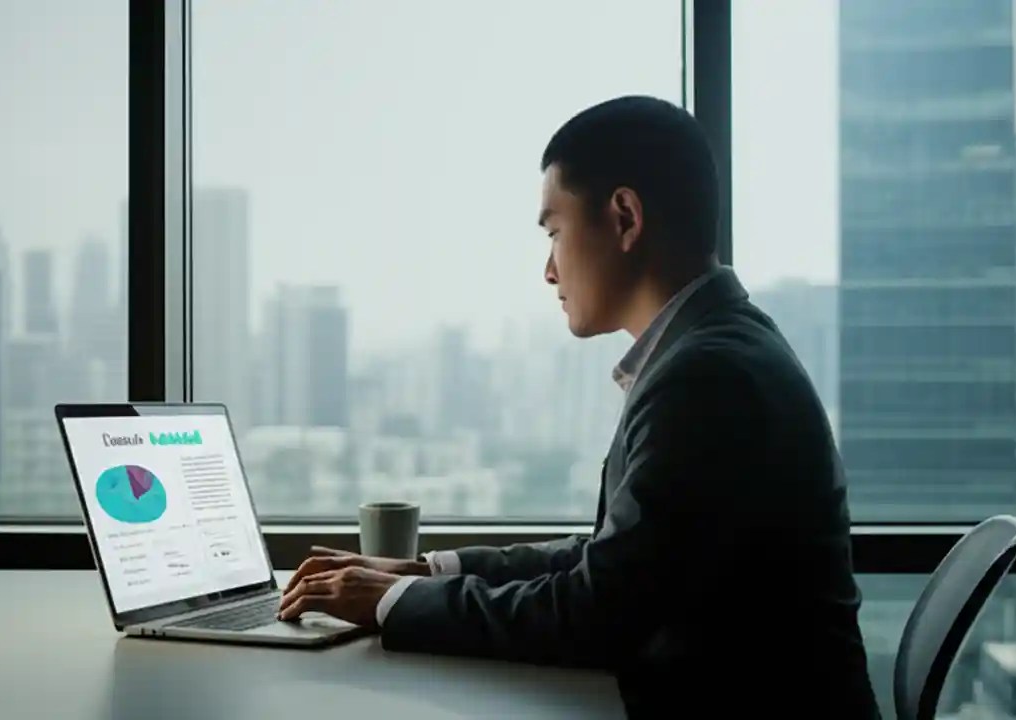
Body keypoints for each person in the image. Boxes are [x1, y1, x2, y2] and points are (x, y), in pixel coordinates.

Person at [278, 95, 880, 717]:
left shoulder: (707, 377)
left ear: (624, 218)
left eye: (554, 232)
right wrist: (425, 573)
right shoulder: (718, 347)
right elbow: (615, 561)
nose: (548, 269)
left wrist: (389, 601)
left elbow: (599, 611)